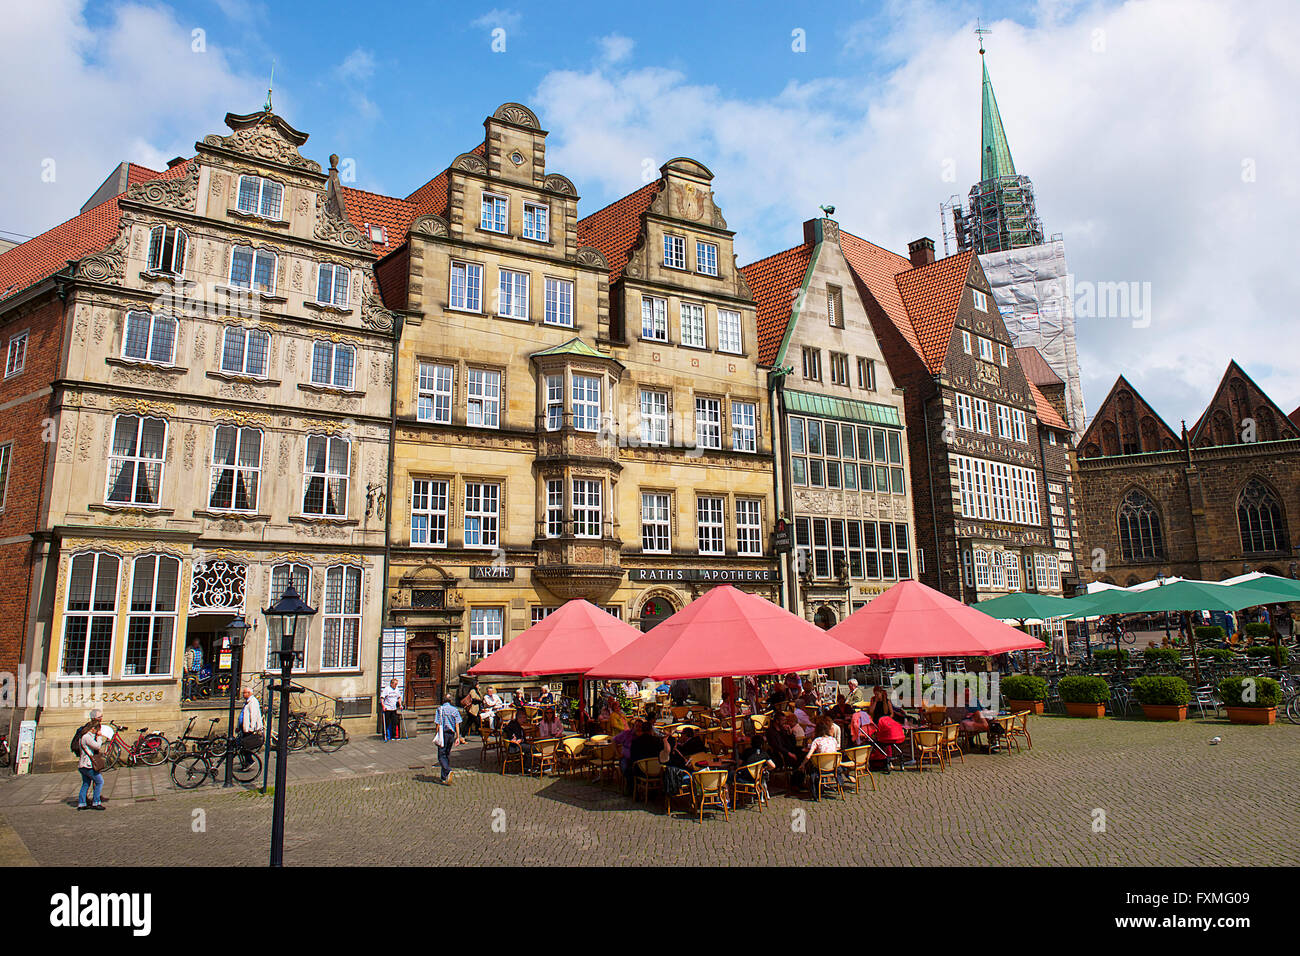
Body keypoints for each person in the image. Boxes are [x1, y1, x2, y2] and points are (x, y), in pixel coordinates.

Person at [800, 717, 841, 799]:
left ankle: (812, 787)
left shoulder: (817, 741)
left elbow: (808, 756)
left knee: (810, 766)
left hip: (820, 767)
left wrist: (802, 765)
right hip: (833, 767)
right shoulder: (833, 740)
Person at [76, 711, 106, 811]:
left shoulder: (83, 736)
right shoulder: (87, 737)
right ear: (93, 729)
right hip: (88, 765)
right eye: (96, 730)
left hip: (82, 765)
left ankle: (82, 803)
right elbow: (97, 746)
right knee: (99, 782)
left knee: (86, 783)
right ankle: (96, 802)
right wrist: (99, 737)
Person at [626, 720, 663, 796]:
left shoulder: (636, 742)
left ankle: (633, 792)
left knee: (628, 769)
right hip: (658, 770)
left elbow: (632, 757)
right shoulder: (658, 740)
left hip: (642, 770)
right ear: (651, 730)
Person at [434, 693, 463, 785]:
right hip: (451, 734)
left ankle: (448, 770)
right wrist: (458, 737)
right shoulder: (455, 710)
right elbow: (457, 724)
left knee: (441, 755)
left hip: (443, 733)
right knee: (446, 754)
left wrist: (437, 734)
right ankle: (443, 777)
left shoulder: (440, 709)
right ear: (450, 701)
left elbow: (438, 723)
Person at [236, 687, 263, 767]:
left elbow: (253, 715)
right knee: (241, 745)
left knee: (246, 746)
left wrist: (251, 728)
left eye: (244, 693)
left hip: (248, 729)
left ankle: (249, 761)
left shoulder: (253, 702)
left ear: (249, 693)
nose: (243, 694)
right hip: (244, 727)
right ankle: (246, 761)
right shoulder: (248, 702)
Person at [379, 677, 402, 741]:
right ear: (391, 684)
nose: (396, 685)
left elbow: (399, 697)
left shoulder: (397, 689)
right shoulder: (387, 689)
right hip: (387, 708)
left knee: (394, 722)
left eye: (396, 684)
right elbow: (382, 698)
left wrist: (400, 705)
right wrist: (383, 706)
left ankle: (394, 735)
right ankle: (385, 735)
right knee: (386, 722)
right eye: (395, 684)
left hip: (394, 708)